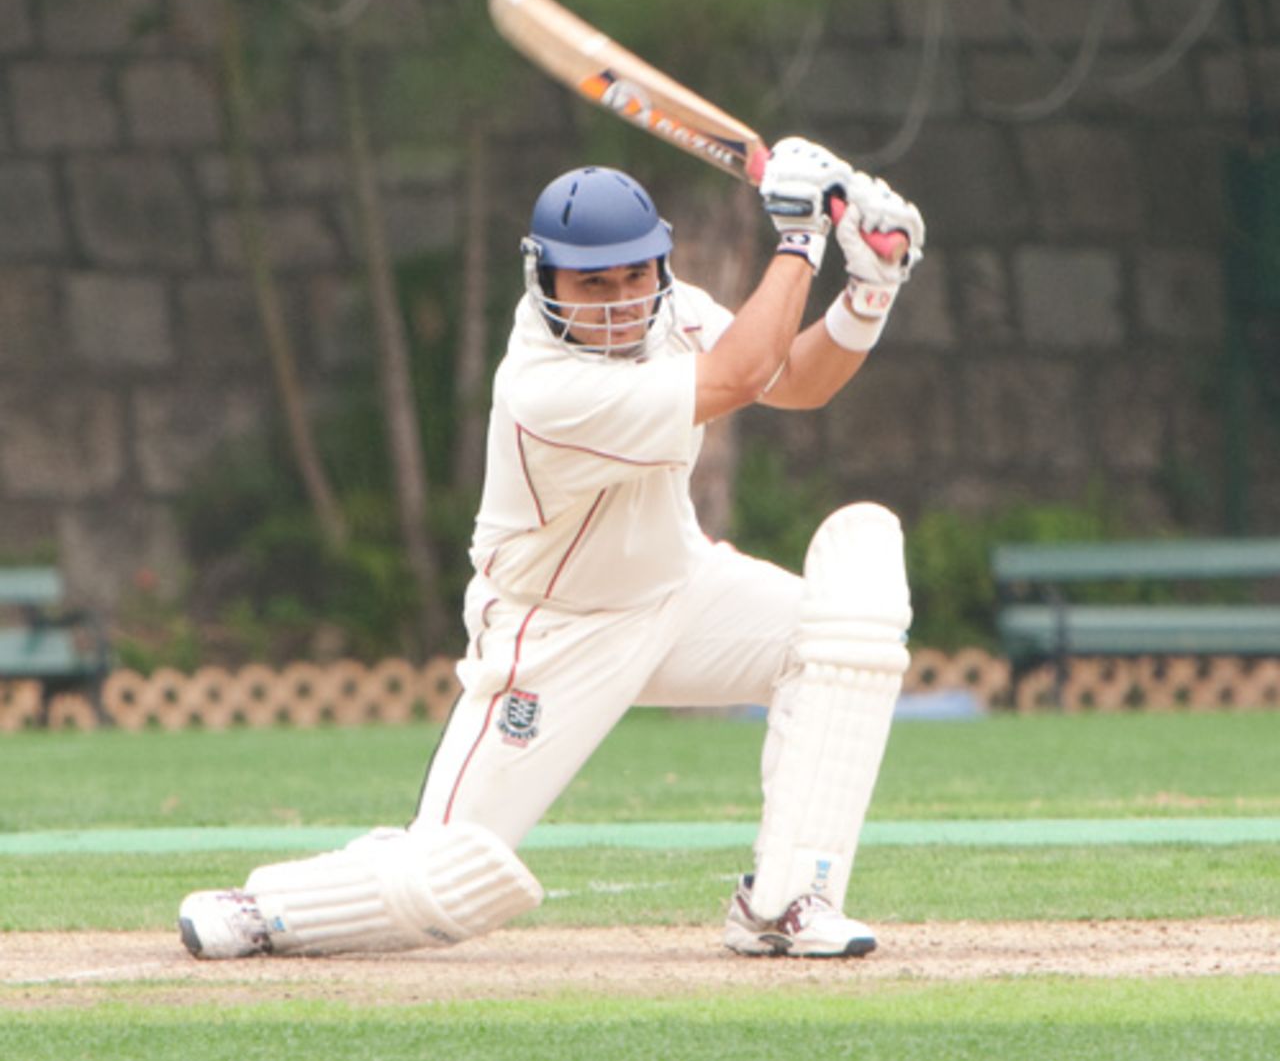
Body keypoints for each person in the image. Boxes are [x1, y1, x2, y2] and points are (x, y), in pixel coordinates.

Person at [178, 136, 925, 961]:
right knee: (446, 879)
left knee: (840, 632)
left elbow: (794, 381)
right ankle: (262, 908)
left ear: (660, 266)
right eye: (592, 283)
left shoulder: (672, 311)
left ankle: (785, 904)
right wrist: (801, 236)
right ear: (544, 280)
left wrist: (869, 289)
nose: (618, 301)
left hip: (682, 592)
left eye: (635, 276)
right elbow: (740, 377)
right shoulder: (545, 388)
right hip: (557, 634)